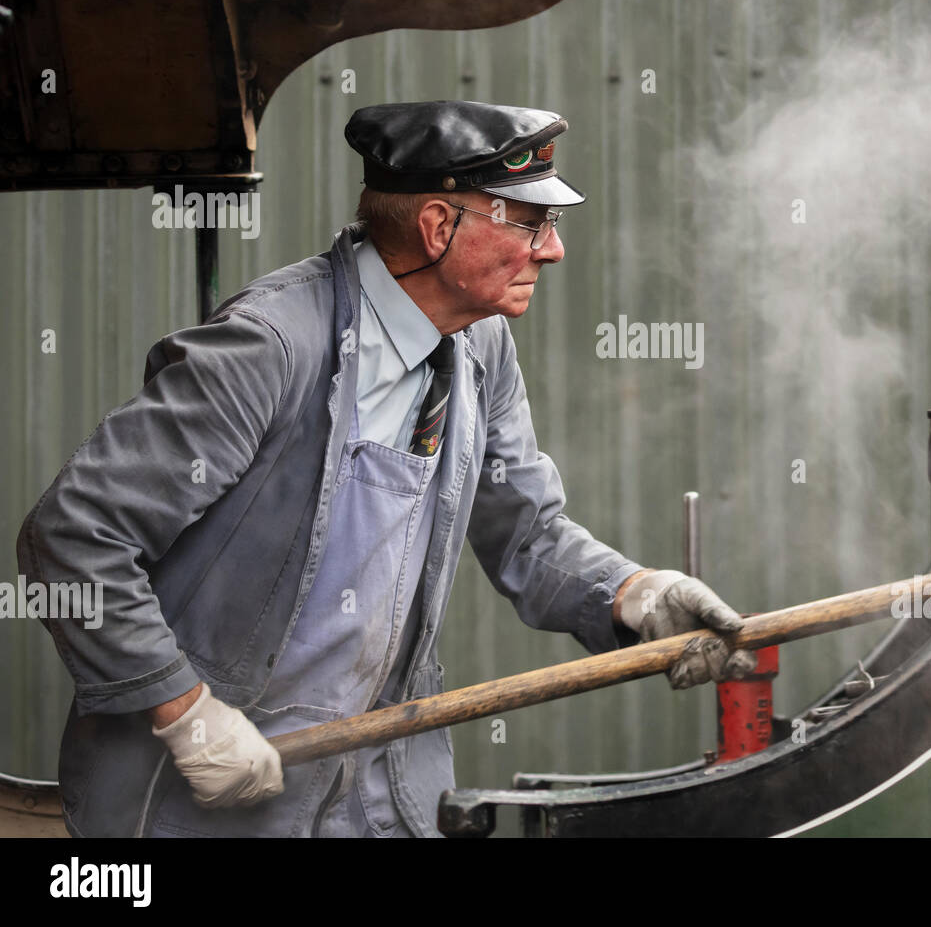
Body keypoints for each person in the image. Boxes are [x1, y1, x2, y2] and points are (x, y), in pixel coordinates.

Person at [17, 100, 756, 837]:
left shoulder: (480, 347)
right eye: (530, 223)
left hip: (378, 795)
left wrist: (636, 594)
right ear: (439, 227)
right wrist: (184, 711)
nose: (552, 250)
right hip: (205, 800)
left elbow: (526, 534)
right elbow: (76, 536)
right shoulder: (268, 350)